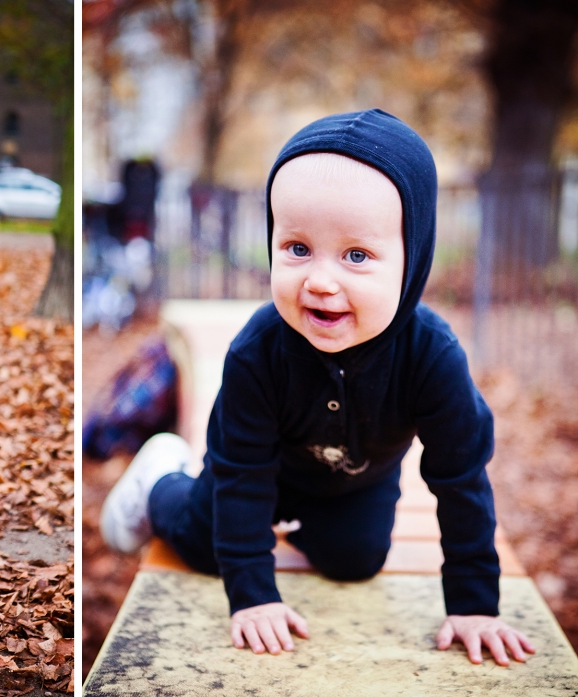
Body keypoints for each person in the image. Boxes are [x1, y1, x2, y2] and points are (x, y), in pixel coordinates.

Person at [100, 109, 536, 667]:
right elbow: (241, 473)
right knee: (207, 546)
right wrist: (254, 597)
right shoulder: (258, 350)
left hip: (355, 482)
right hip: (258, 471)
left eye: (357, 256)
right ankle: (159, 482)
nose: (321, 281)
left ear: (413, 260)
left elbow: (461, 478)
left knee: (354, 561)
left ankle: (302, 526)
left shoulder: (433, 356)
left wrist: (474, 604)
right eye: (299, 249)